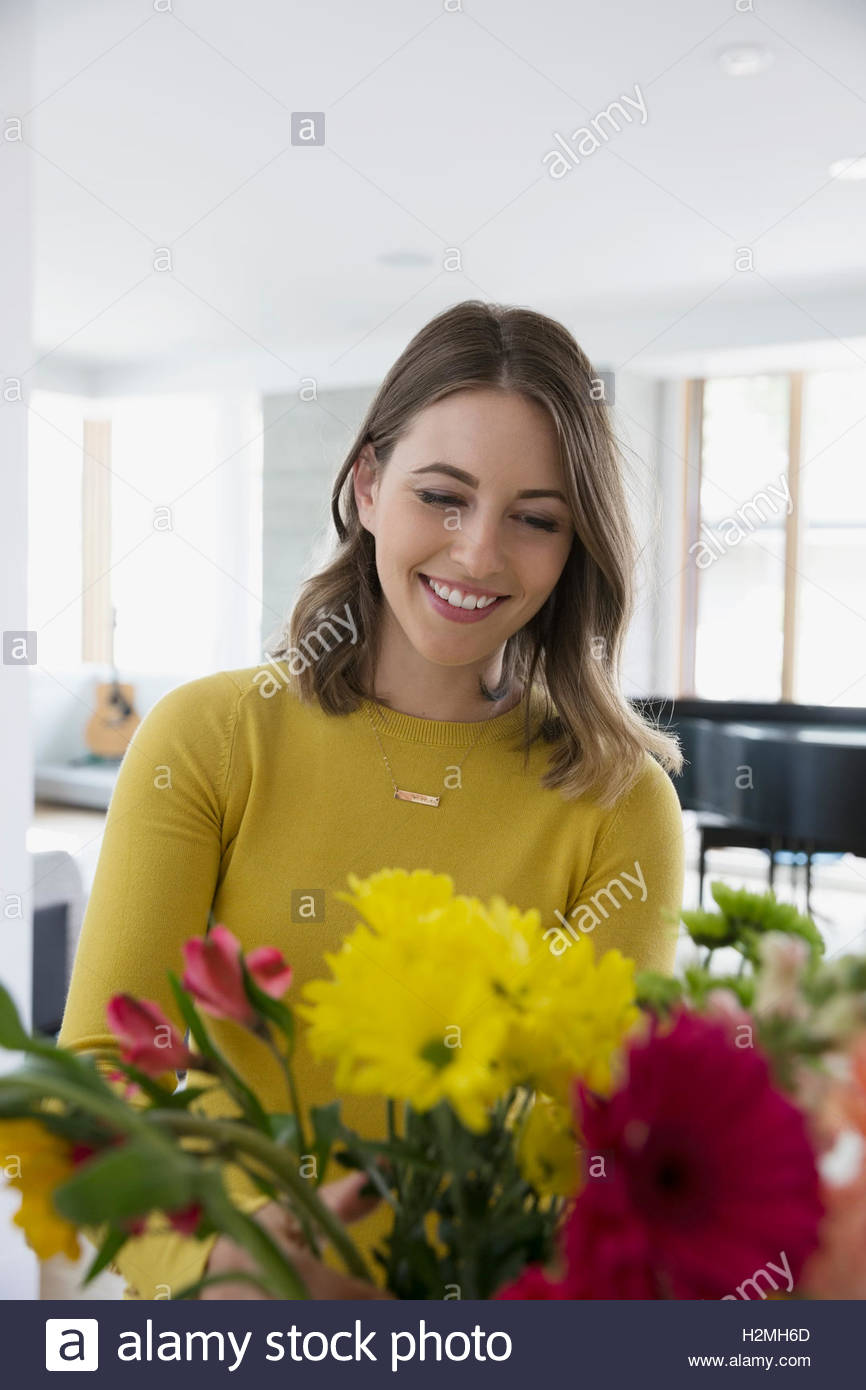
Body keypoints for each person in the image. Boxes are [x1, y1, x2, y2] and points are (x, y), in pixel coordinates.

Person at [56, 299, 685, 1300]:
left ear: (573, 548)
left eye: (533, 517)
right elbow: (99, 1079)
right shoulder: (212, 738)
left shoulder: (619, 802)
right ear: (365, 484)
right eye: (442, 495)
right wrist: (216, 1259)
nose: (478, 552)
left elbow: (596, 1150)